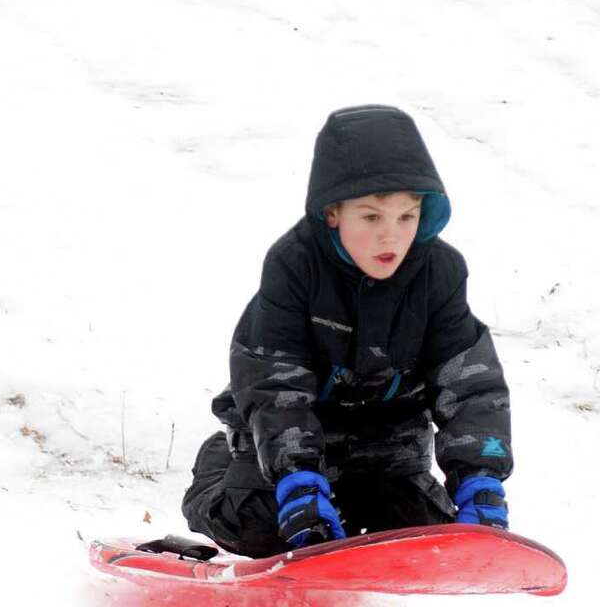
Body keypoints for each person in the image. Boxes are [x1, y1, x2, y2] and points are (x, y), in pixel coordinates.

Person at [183, 104, 512, 557]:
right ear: (334, 213)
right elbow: (274, 378)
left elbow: (469, 381)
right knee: (261, 530)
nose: (391, 237)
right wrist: (297, 478)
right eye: (372, 217)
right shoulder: (294, 265)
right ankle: (221, 469)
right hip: (301, 440)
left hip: (387, 450)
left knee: (421, 541)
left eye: (406, 217)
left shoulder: (441, 272)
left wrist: (481, 479)